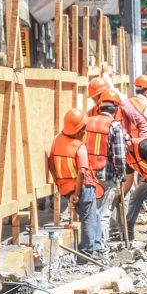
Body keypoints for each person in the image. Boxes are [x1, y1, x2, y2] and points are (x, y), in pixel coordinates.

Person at [48, 109, 102, 259]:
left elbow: (51, 162)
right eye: (84, 127)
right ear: (79, 130)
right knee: (88, 220)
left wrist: (58, 182)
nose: (85, 130)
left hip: (65, 188)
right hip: (82, 189)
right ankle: (86, 254)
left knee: (94, 216)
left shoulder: (57, 140)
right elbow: (82, 172)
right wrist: (77, 194)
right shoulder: (79, 147)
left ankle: (97, 246)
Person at [84, 88, 127, 254]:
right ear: (115, 109)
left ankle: (89, 247)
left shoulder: (88, 122)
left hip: (88, 175)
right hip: (106, 174)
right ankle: (100, 247)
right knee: (103, 212)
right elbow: (119, 156)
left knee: (90, 212)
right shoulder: (114, 126)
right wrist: (121, 173)